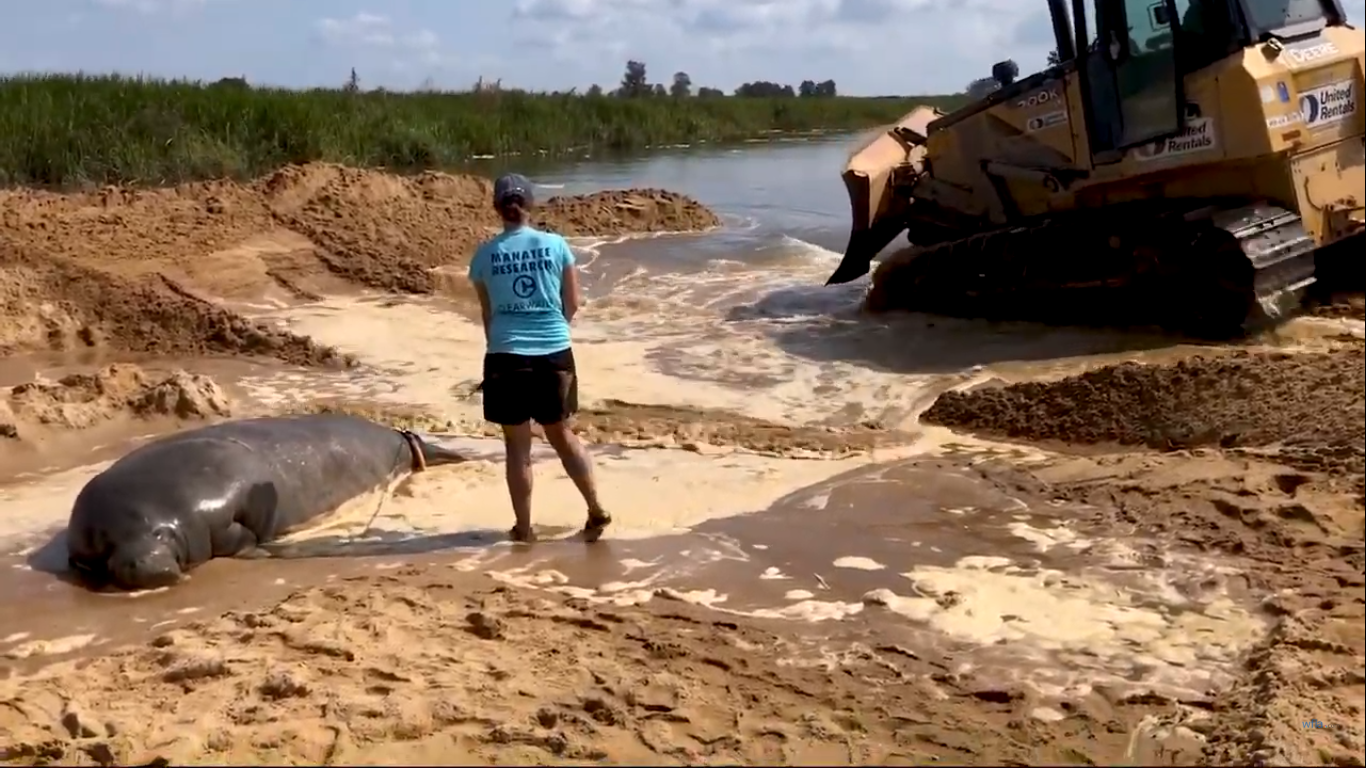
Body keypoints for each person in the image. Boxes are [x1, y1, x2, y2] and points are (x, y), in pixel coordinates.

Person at [467, 173, 612, 543]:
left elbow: (489, 315)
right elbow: (573, 303)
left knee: (517, 447)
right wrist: (552, 332)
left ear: (497, 207)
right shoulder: (556, 245)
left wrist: (503, 345)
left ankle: (524, 528)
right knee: (563, 436)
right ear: (530, 204)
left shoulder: (484, 256)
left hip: (505, 355)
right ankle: (596, 509)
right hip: (554, 353)